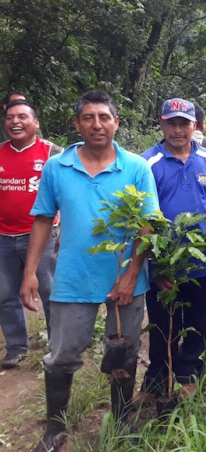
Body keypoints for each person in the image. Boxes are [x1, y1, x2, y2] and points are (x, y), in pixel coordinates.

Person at [20, 90, 159, 452]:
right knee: (63, 354)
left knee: (123, 352)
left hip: (125, 281)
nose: (97, 124)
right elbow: (43, 219)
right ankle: (55, 428)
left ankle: (123, 421)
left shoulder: (136, 168)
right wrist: (30, 272)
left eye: (104, 117)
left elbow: (148, 226)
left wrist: (130, 277)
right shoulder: (57, 167)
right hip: (72, 277)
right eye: (88, 118)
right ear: (76, 123)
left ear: (116, 122)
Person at [137, 99, 206, 402]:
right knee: (162, 323)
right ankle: (157, 380)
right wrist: (156, 264)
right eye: (171, 123)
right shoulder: (146, 164)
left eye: (184, 123)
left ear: (195, 126)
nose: (177, 130)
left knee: (198, 321)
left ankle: (189, 375)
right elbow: (141, 219)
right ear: (161, 124)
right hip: (164, 265)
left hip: (204, 261)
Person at [0, 99, 61, 369]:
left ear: (36, 123)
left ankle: (58, 344)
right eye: (10, 117)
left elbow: (69, 193)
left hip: (41, 236)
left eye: (22, 117)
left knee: (49, 291)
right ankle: (15, 346)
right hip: (2, 237)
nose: (15, 122)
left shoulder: (53, 154)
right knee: (3, 294)